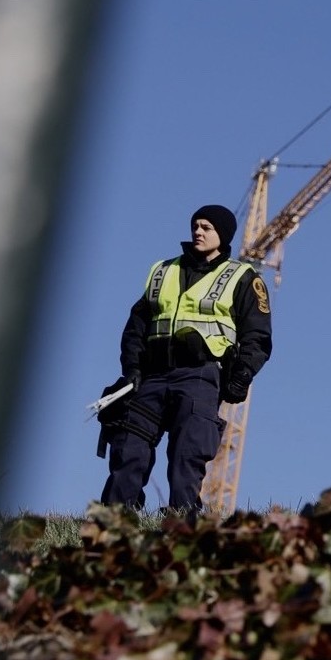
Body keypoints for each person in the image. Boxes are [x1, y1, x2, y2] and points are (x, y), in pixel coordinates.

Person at [98, 204, 273, 511]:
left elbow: (257, 335)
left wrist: (242, 375)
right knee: (128, 447)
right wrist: (132, 368)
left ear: (223, 235)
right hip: (151, 375)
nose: (198, 232)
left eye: (207, 227)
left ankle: (181, 521)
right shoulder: (163, 270)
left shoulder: (243, 277)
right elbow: (136, 326)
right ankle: (114, 519)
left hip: (200, 376)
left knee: (187, 453)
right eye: (196, 225)